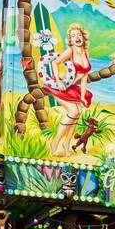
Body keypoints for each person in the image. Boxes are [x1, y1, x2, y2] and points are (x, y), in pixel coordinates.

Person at [46, 23, 94, 157]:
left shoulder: (86, 53)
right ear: (70, 40)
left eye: (79, 35)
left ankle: (66, 143)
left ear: (83, 37)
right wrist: (58, 80)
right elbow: (54, 62)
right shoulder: (70, 51)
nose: (77, 37)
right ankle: (54, 143)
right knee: (73, 111)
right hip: (60, 86)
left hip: (73, 87)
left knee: (78, 112)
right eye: (73, 36)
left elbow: (84, 78)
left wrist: (83, 97)